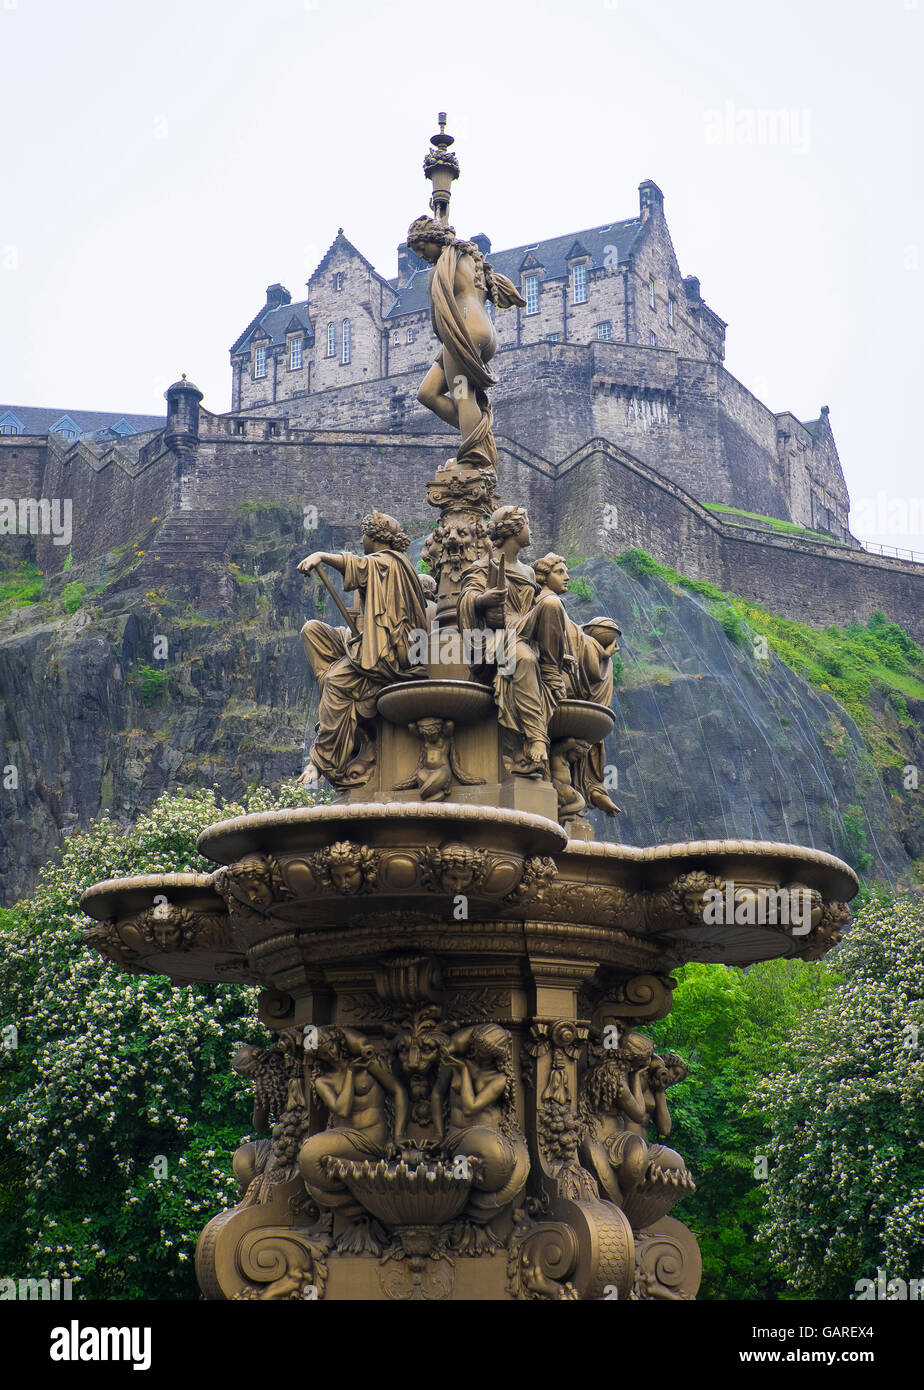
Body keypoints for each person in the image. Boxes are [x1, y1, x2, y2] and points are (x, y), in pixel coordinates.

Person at [298, 511, 427, 786]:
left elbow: (357, 565)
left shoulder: (389, 563)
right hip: (368, 641)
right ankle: (336, 701)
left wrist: (321, 555)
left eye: (365, 535)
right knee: (313, 632)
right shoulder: (386, 564)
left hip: (388, 654)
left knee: (335, 681)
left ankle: (323, 761)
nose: (362, 540)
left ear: (374, 537)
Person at [408, 214, 525, 471]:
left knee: (462, 394)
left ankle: (474, 459)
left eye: (421, 247)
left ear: (433, 239)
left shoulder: (446, 261)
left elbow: (439, 305)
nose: (420, 255)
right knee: (427, 393)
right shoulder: (470, 259)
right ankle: (479, 439)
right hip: (481, 331)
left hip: (464, 329)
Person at [458, 506, 566, 775]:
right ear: (514, 529)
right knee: (524, 658)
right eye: (527, 524)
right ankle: (536, 737)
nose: (531, 530)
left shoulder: (529, 573)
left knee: (552, 603)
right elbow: (465, 600)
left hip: (523, 627)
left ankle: (551, 671)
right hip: (496, 636)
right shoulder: (483, 566)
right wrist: (483, 600)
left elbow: (536, 611)